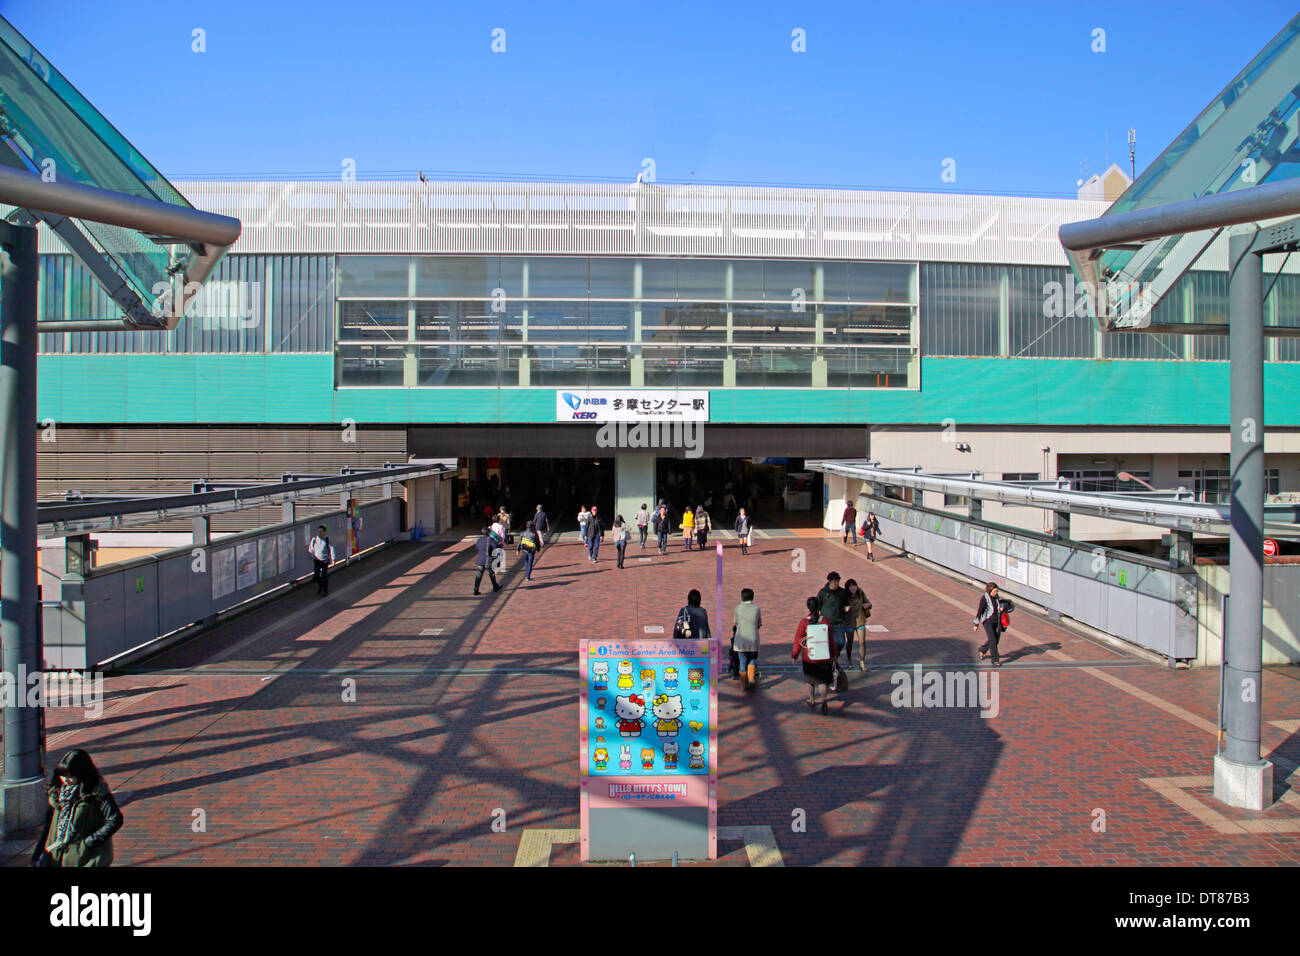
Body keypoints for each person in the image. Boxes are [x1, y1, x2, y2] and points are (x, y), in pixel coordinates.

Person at [31, 749, 123, 867]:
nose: (65, 780)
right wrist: (37, 853)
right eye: (62, 775)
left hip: (84, 857)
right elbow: (48, 827)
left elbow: (115, 819)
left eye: (70, 776)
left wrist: (88, 843)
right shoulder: (57, 793)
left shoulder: (96, 792)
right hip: (55, 855)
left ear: (82, 773)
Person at [792, 596, 834, 715]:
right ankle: (824, 700)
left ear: (808, 607)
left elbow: (798, 640)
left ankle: (812, 699)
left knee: (810, 680)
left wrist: (794, 655)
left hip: (809, 656)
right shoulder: (825, 620)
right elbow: (830, 639)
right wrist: (833, 654)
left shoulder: (804, 622)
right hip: (824, 655)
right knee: (822, 681)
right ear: (819, 606)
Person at [816, 571, 851, 662]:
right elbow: (817, 606)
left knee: (840, 642)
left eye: (838, 581)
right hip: (826, 624)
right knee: (826, 644)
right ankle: (830, 661)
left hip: (839, 623)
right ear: (829, 581)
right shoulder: (823, 592)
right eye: (834, 581)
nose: (836, 583)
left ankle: (834, 657)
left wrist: (846, 608)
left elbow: (847, 603)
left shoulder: (842, 592)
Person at [732, 587, 762, 691]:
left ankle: (744, 684)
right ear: (753, 597)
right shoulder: (757, 609)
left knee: (742, 662)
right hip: (753, 639)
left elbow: (735, 622)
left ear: (742, 597)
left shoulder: (737, 608)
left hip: (741, 640)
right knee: (752, 659)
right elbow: (759, 623)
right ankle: (751, 678)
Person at [844, 577, 872, 672]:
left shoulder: (860, 593)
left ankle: (862, 661)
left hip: (860, 620)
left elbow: (869, 603)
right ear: (847, 588)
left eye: (854, 586)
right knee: (850, 642)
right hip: (849, 622)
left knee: (862, 642)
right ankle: (849, 660)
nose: (853, 588)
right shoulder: (845, 596)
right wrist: (845, 609)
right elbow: (841, 607)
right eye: (851, 586)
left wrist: (867, 605)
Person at [973, 581, 1004, 667]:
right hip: (988, 622)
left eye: (996, 591)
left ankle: (982, 650)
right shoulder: (984, 599)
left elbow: (996, 607)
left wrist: (1000, 610)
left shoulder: (997, 597)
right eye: (994, 592)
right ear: (989, 591)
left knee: (995, 640)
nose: (995, 593)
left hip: (996, 622)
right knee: (993, 641)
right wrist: (976, 624)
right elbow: (980, 611)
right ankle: (995, 660)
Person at [474, 525, 502, 594]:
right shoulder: (490, 539)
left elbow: (476, 548)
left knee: (479, 575)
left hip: (480, 560)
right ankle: (495, 587)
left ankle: (475, 589)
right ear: (488, 533)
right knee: (491, 574)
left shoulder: (479, 540)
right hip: (488, 560)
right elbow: (495, 548)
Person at [308, 524, 334, 597]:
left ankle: (325, 591)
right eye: (318, 531)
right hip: (317, 560)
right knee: (316, 575)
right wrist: (311, 557)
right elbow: (311, 549)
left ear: (324, 532)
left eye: (321, 531)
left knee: (324, 576)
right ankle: (321, 585)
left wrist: (333, 559)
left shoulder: (327, 539)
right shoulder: (314, 539)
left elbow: (331, 548)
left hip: (325, 561)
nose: (319, 533)